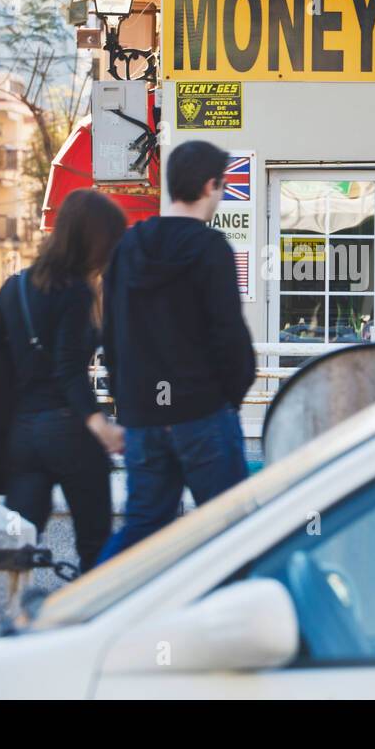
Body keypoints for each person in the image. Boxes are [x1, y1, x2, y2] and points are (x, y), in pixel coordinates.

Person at [99, 140, 255, 562]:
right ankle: (235, 622)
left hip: (144, 416)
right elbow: (230, 337)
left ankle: (84, 610)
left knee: (143, 530)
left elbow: (111, 336)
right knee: (233, 528)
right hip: (203, 412)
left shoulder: (127, 248)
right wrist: (231, 397)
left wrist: (127, 404)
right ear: (211, 186)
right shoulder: (211, 249)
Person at [0, 188, 128, 572]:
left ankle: (10, 621)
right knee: (94, 549)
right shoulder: (77, 293)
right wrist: (102, 427)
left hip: (23, 438)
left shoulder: (15, 287)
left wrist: (23, 357)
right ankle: (93, 628)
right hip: (70, 434)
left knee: (18, 547)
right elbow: (69, 369)